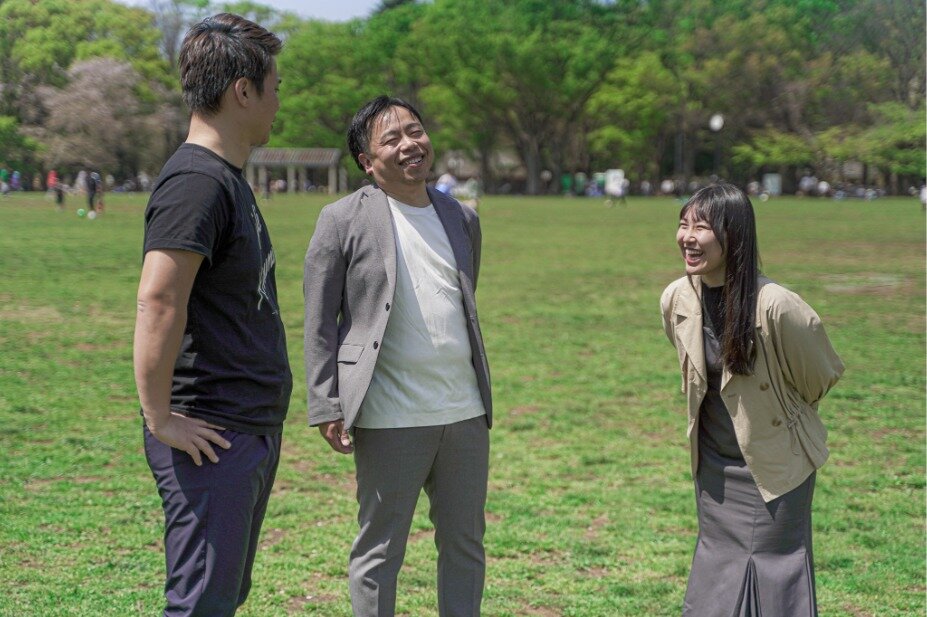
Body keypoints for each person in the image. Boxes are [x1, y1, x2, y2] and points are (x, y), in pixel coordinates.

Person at [304, 95, 492, 617]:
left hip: (464, 412)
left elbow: (463, 301)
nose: (410, 144)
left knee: (465, 545)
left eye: (415, 131)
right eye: (391, 139)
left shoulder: (462, 217)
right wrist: (326, 403)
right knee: (380, 551)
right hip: (389, 415)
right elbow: (318, 321)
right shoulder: (340, 220)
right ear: (367, 161)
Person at [133, 13, 290, 616]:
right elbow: (159, 298)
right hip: (211, 431)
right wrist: (160, 417)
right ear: (242, 91)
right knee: (201, 604)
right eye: (274, 87)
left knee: (220, 597)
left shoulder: (226, 179)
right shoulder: (197, 183)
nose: (278, 102)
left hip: (241, 426)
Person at [660, 183, 844, 616]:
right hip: (715, 467)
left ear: (734, 234)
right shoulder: (677, 297)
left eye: (701, 227)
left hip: (774, 466)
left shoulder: (777, 306)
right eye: (684, 225)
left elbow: (820, 377)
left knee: (774, 571)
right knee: (718, 569)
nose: (688, 237)